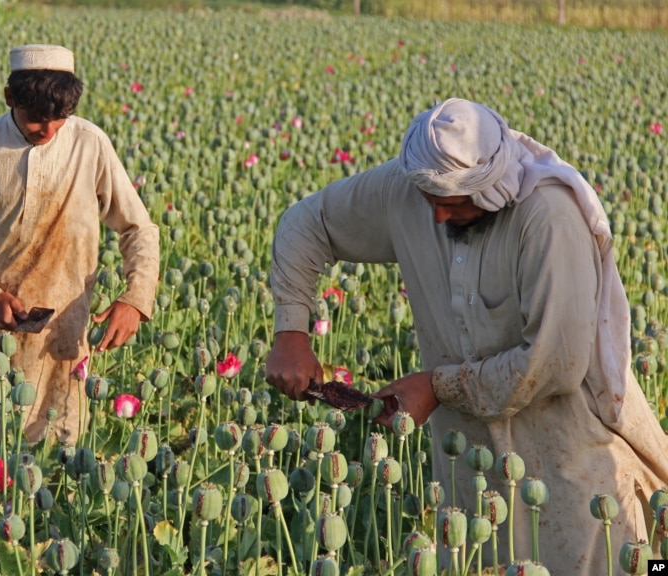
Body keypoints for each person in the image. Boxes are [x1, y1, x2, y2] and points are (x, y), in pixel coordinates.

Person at [266, 98, 668, 574]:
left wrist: (438, 387)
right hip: (468, 471)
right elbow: (305, 223)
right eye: (430, 200)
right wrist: (291, 332)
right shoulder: (410, 188)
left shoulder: (548, 218)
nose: (438, 217)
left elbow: (553, 366)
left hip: (572, 464)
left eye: (453, 203)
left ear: (491, 187)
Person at [0, 44, 160, 446]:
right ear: (9, 98)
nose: (48, 130)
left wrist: (136, 298)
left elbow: (139, 228)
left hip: (62, 340)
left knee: (55, 456)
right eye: (35, 117)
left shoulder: (89, 144)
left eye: (59, 118)